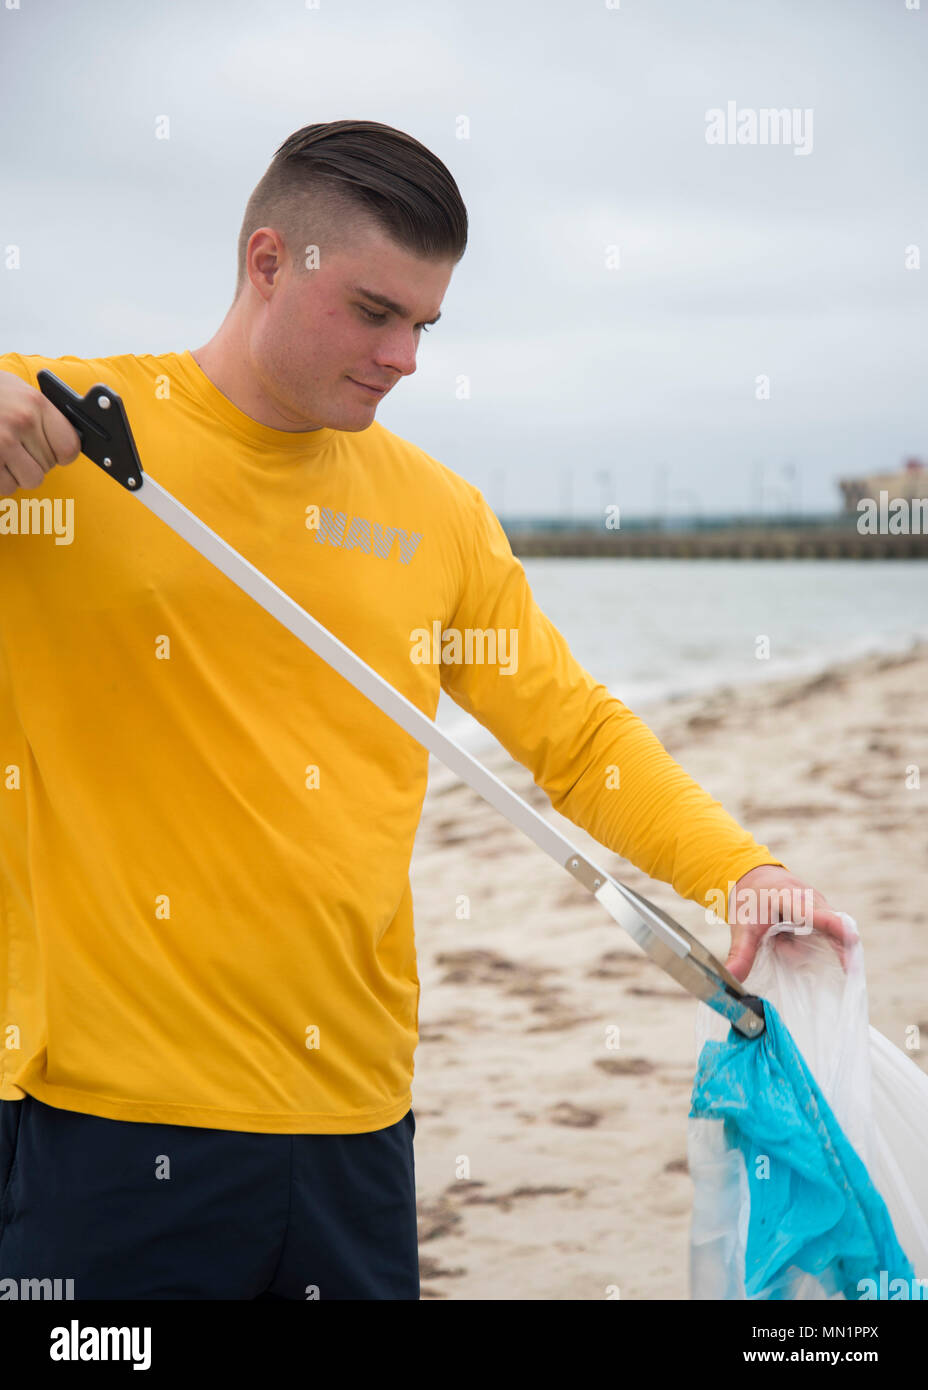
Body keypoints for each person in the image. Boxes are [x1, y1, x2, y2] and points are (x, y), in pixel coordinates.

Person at [0, 119, 849, 1300]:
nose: (404, 357)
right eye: (373, 311)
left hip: (353, 1114)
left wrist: (739, 869)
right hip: (100, 1119)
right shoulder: (57, 446)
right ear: (266, 263)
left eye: (424, 324)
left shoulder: (435, 514)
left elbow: (575, 734)